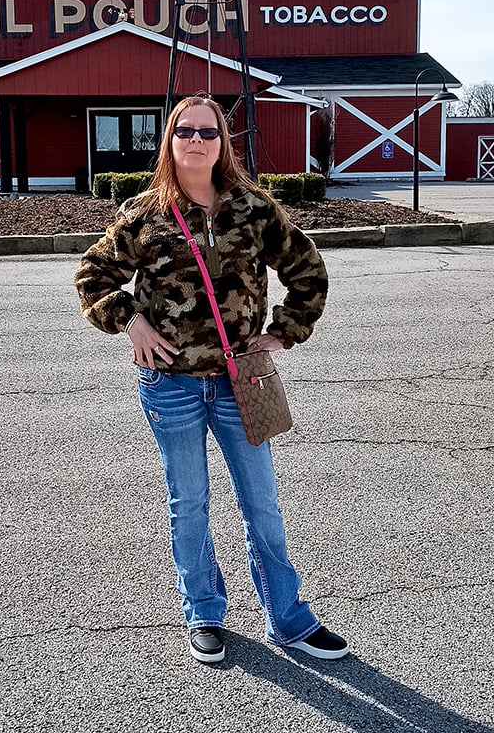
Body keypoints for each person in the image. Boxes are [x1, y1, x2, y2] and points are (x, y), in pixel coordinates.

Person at [74, 95, 348, 664]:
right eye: (184, 130)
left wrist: (283, 332)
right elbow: (92, 276)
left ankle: (289, 618)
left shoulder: (252, 208)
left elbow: (307, 269)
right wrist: (132, 322)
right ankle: (203, 611)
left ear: (222, 142)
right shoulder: (143, 215)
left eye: (208, 131)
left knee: (262, 503)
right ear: (169, 141)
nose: (196, 140)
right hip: (169, 385)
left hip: (238, 382)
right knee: (189, 502)